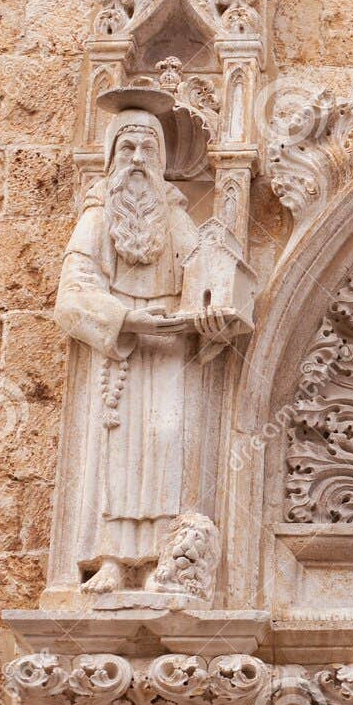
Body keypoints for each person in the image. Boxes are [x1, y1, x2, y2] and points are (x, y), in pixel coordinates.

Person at [55, 103, 232, 595]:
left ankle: (161, 558)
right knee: (115, 452)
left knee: (166, 443)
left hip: (170, 351)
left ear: (161, 160)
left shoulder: (175, 219)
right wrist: (126, 318)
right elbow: (72, 294)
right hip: (120, 352)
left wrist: (212, 315)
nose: (136, 159)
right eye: (127, 148)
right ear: (112, 158)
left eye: (147, 149)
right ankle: (113, 560)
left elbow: (206, 276)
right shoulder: (98, 218)